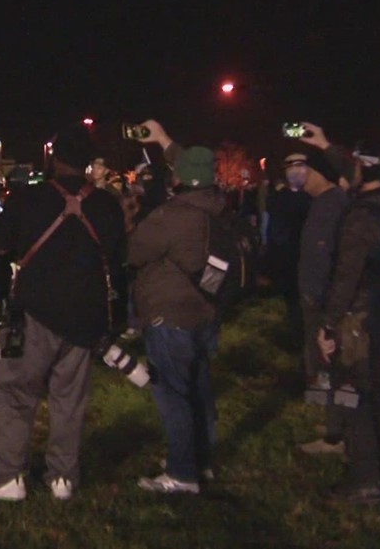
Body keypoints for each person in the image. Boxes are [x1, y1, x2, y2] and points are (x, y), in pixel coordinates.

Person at [0, 124, 125, 502]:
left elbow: (2, 246)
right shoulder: (107, 205)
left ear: (54, 158)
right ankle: (62, 476)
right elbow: (117, 257)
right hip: (85, 316)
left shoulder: (27, 198)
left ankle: (9, 476)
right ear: (88, 162)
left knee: (15, 394)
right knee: (69, 401)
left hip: (34, 312)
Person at [127, 120, 223, 494]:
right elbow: (192, 166)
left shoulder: (171, 217)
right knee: (200, 389)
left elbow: (135, 252)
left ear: (178, 178)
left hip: (170, 315)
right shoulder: (217, 206)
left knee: (173, 394)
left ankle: (182, 474)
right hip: (205, 312)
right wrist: (165, 140)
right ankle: (202, 460)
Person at [315, 140, 380, 505]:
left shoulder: (361, 217)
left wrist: (328, 325)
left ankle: (365, 479)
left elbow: (346, 276)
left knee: (353, 397)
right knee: (379, 395)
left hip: (357, 321)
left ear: (366, 169)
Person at [282, 134, 351, 457]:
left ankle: (339, 436)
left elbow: (335, 259)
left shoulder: (334, 203)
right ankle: (336, 421)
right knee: (325, 367)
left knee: (336, 368)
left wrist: (327, 307)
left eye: (300, 166)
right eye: (289, 166)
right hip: (314, 298)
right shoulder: (318, 202)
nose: (293, 172)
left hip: (326, 302)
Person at [266, 155, 311, 353]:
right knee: (294, 301)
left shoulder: (302, 197)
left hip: (298, 257)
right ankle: (298, 339)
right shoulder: (285, 198)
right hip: (290, 257)